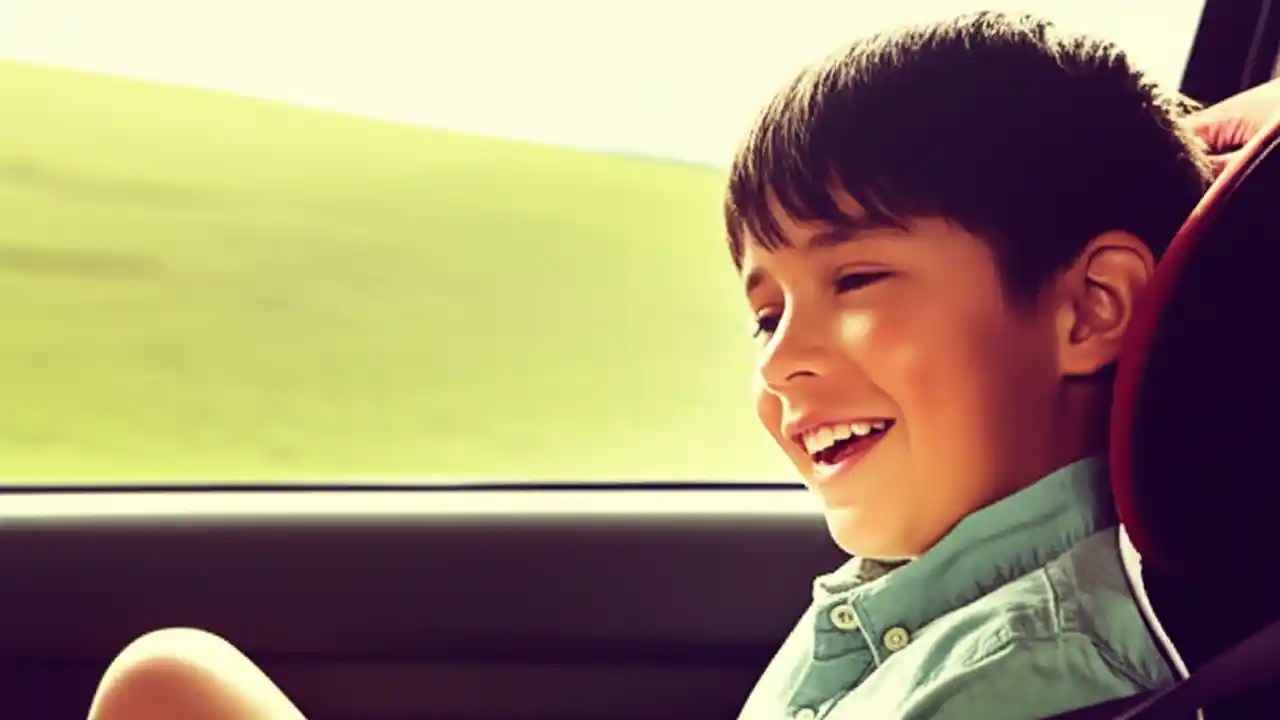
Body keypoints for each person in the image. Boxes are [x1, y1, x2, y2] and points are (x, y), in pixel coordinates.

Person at [85, 13, 1280, 720]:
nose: (784, 365)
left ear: (1091, 307)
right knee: (171, 681)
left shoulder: (1030, 670)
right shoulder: (926, 615)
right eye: (763, 315)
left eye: (852, 282)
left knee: (168, 684)